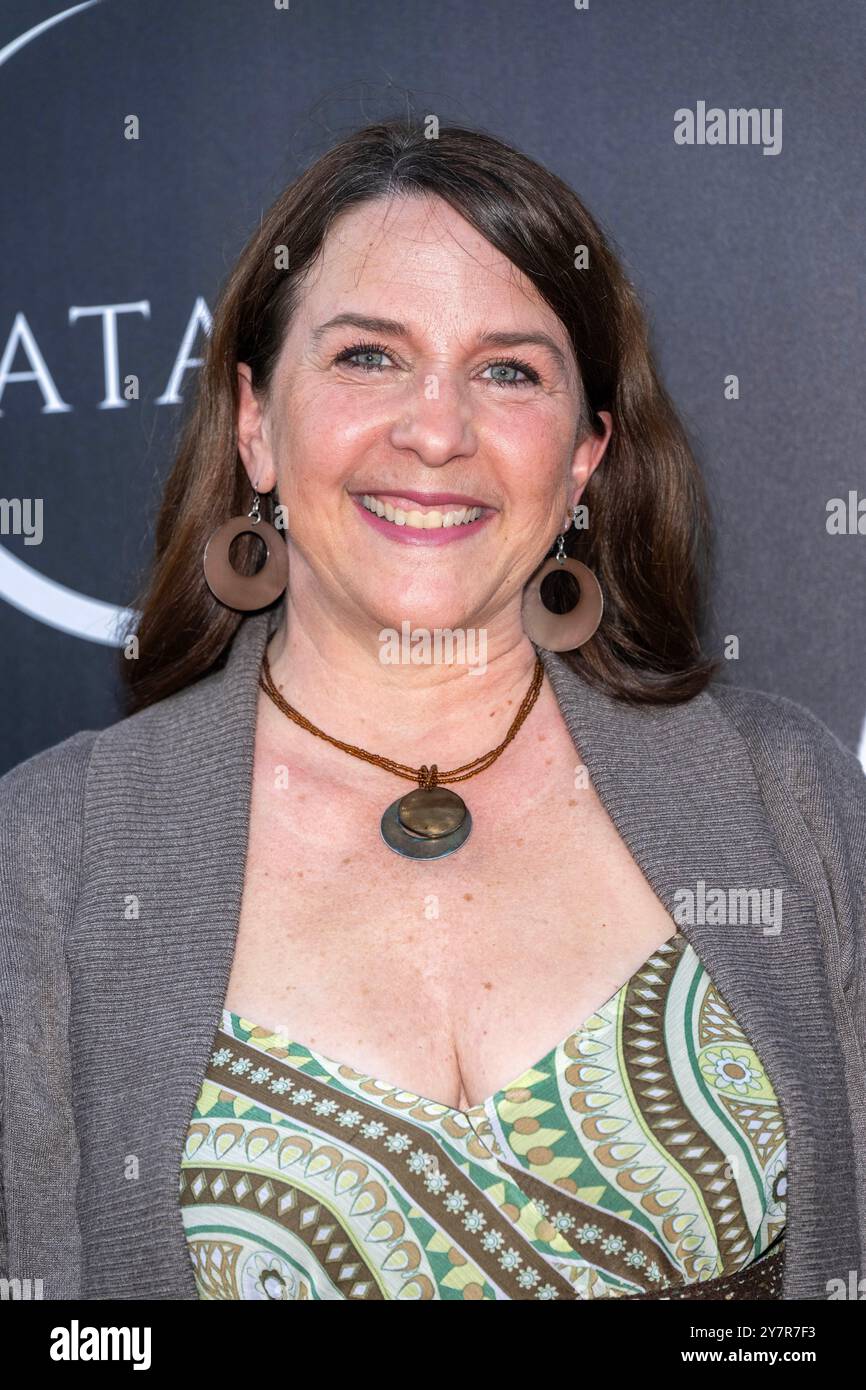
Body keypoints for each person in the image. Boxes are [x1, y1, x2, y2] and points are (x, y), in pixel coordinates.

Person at [1, 119, 864, 1303]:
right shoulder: (50, 858)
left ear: (582, 457)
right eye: (367, 357)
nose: (436, 428)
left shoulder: (784, 795)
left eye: (508, 370)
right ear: (254, 421)